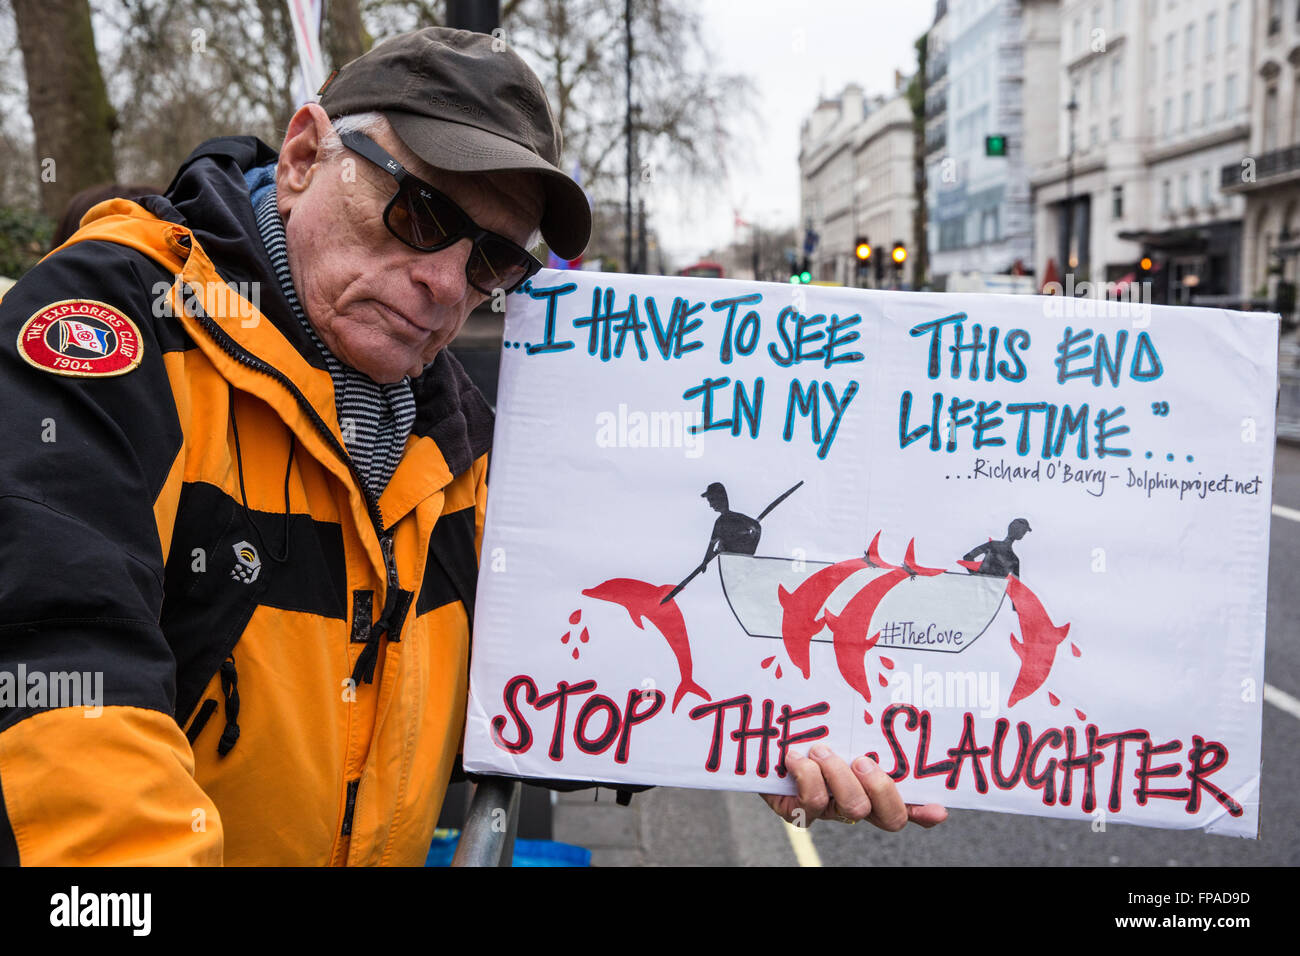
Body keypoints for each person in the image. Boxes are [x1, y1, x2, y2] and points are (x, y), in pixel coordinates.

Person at [0, 28, 940, 865]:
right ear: (302, 155)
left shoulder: (470, 445)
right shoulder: (111, 330)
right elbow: (60, 671)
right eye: (420, 214)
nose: (447, 283)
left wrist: (768, 732)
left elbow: (549, 688)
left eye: (493, 260)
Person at [962, 518, 1032, 578]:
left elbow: (1015, 585)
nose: (1023, 534)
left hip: (992, 591)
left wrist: (975, 576)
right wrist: (975, 576)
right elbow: (967, 557)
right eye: (1023, 531)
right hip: (982, 588)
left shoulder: (1014, 559)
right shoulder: (1014, 559)